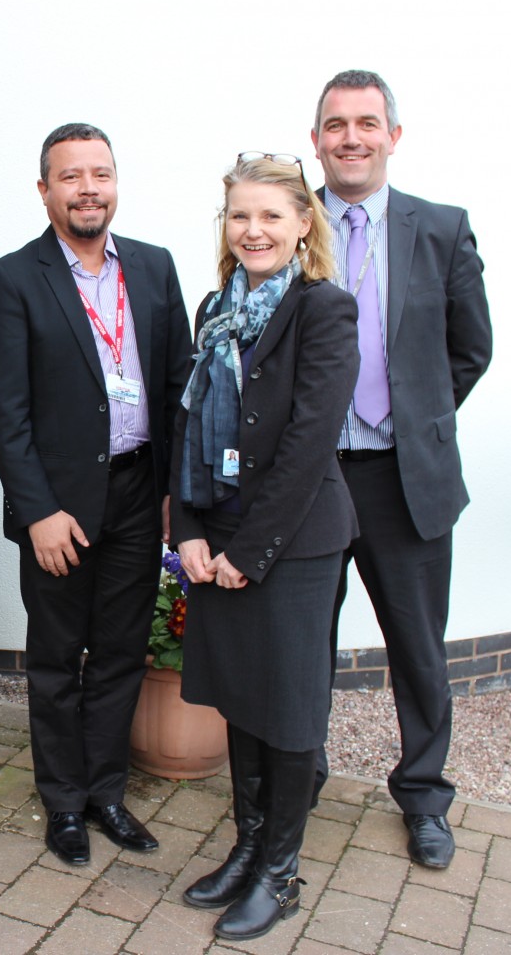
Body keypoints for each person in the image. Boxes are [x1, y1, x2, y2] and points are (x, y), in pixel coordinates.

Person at [0, 123, 191, 865]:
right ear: (45, 191)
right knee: (58, 658)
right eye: (71, 176)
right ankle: (63, 802)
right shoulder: (12, 278)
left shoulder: (157, 270)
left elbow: (175, 390)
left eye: (100, 173)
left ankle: (106, 794)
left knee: (123, 653)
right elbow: (5, 411)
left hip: (138, 491)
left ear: (116, 182)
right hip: (60, 506)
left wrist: (175, 495)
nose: (88, 187)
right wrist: (37, 511)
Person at [172, 154, 359, 941]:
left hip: (291, 545)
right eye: (240, 216)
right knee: (242, 703)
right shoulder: (217, 306)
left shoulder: (325, 311)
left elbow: (310, 445)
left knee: (285, 713)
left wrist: (247, 551)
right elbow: (188, 427)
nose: (253, 230)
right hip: (216, 538)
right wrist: (186, 532)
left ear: (302, 224)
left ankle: (281, 872)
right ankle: (249, 849)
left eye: (271, 216)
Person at [310, 70, 492, 869]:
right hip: (310, 478)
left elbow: (470, 348)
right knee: (302, 639)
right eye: (336, 124)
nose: (352, 137)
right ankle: (297, 781)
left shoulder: (442, 229)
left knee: (417, 649)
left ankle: (423, 794)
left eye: (367, 123)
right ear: (315, 138)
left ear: (393, 135)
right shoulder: (285, 221)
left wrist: (415, 416)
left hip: (402, 476)